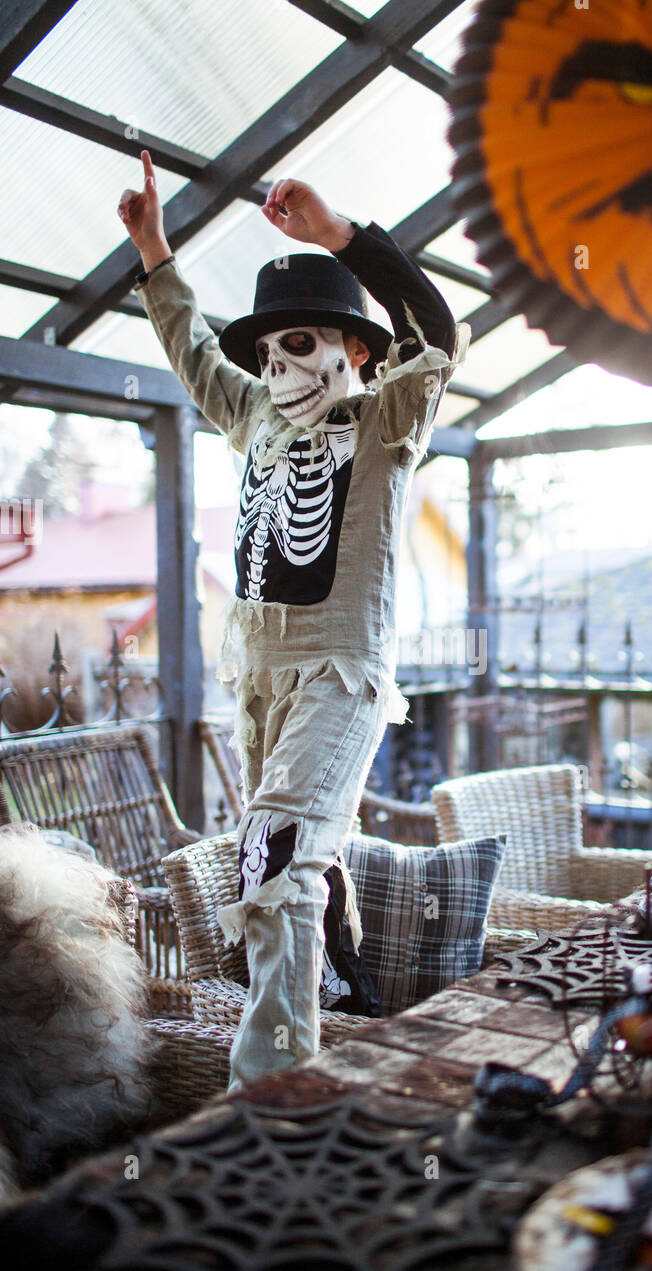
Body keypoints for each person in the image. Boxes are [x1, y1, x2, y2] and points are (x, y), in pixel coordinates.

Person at [118, 151, 465, 1091]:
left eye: (303, 347)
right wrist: (156, 252)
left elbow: (437, 330)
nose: (281, 370)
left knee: (272, 852)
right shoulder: (258, 420)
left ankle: (271, 1087)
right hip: (263, 678)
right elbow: (195, 351)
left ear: (354, 350)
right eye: (270, 356)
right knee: (300, 851)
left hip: (340, 672)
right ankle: (346, 986)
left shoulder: (389, 417)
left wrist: (340, 237)